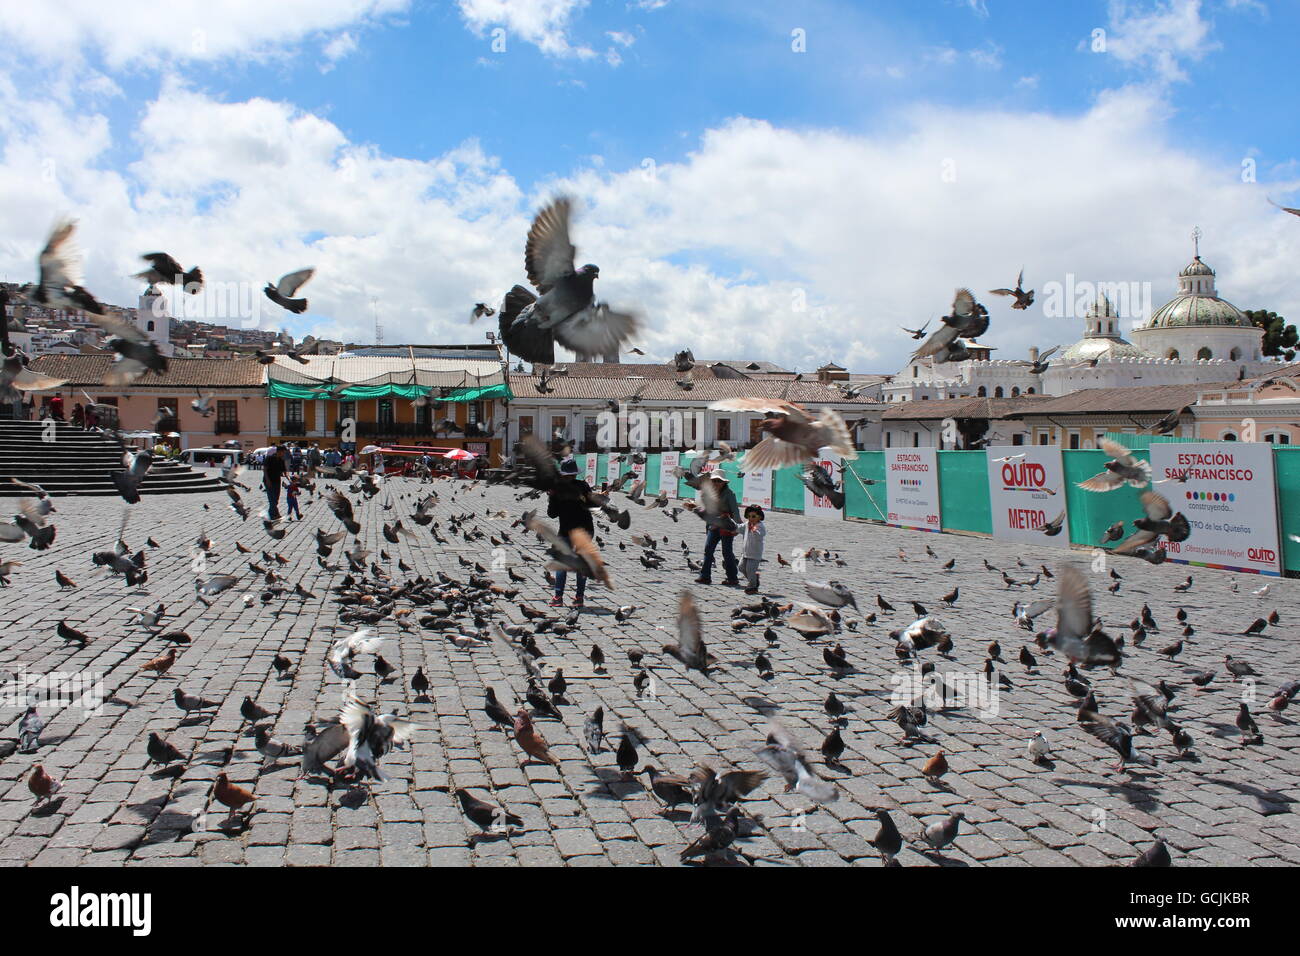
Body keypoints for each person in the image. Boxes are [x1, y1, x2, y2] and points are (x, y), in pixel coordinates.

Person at [547, 456, 594, 608]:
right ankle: (579, 598)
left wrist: (552, 497)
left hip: (566, 531)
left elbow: (552, 514)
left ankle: (558, 597)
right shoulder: (584, 486)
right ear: (575, 474)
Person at [696, 473, 741, 586]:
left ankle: (732, 578)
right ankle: (705, 576)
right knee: (708, 549)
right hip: (713, 525)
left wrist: (736, 527)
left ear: (724, 482)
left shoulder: (729, 494)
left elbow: (735, 510)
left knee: (727, 552)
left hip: (726, 526)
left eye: (718, 481)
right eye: (714, 481)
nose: (716, 483)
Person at [740, 505, 767, 594]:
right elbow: (739, 527)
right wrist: (730, 524)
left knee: (750, 570)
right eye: (749, 516)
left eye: (753, 516)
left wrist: (755, 531)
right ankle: (754, 579)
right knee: (741, 567)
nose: (751, 518)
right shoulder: (747, 524)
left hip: (755, 554)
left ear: (760, 517)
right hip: (745, 552)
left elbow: (760, 534)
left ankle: (753, 586)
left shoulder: (760, 526)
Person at [263, 445, 286, 520]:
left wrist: (290, 480)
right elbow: (265, 470)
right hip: (269, 481)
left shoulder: (281, 460)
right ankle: (274, 514)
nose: (284, 454)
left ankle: (272, 513)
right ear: (279, 451)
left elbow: (284, 472)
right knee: (272, 498)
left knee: (276, 499)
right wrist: (267, 480)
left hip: (277, 481)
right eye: (283, 452)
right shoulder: (269, 458)